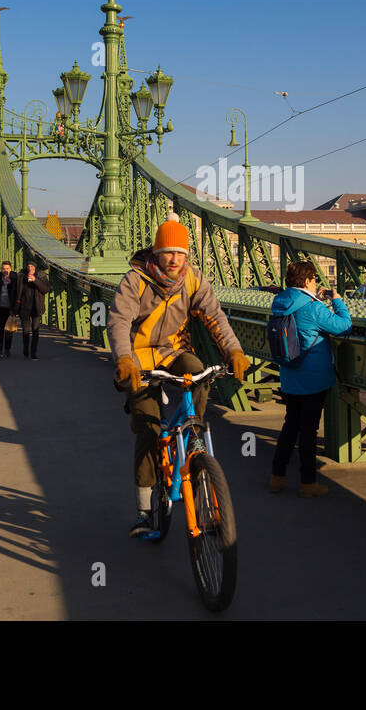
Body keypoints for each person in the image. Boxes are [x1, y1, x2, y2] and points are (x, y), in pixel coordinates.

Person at [108, 212, 250, 537]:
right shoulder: (135, 281)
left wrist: (234, 351)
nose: (174, 259)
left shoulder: (193, 279)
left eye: (180, 253)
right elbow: (117, 322)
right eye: (168, 252)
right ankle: (144, 511)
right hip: (139, 359)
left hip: (173, 353)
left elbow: (214, 316)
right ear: (156, 253)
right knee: (149, 430)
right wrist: (124, 359)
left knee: (197, 369)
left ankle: (194, 431)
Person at [269, 261, 352, 497]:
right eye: (315, 278)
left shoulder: (280, 303)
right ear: (306, 281)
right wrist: (337, 301)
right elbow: (344, 327)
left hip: (289, 375)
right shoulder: (313, 308)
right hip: (313, 378)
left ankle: (277, 477)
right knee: (308, 431)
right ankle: (308, 483)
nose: (317, 282)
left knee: (290, 426)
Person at [16, 258, 50, 358]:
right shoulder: (22, 276)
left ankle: (33, 352)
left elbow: (45, 289)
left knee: (35, 331)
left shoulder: (41, 276)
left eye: (32, 266)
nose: (30, 268)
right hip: (25, 307)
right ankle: (26, 348)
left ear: (35, 267)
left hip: (37, 307)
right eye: (28, 266)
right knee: (25, 331)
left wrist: (35, 280)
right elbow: (17, 291)